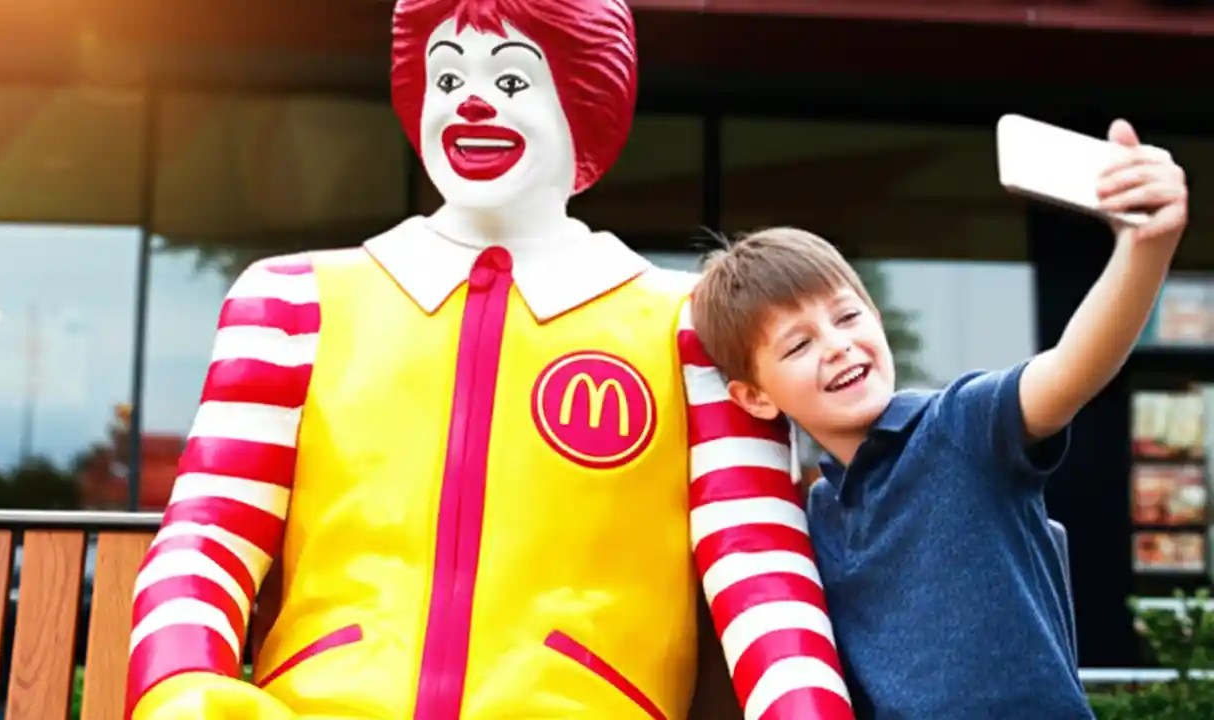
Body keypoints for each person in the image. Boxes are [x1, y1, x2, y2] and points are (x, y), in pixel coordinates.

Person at [124, 1, 854, 718]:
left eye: (512, 80)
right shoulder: (291, 301)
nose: (470, 104)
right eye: (447, 79)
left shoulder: (692, 326)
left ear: (585, 92)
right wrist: (179, 690)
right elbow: (209, 532)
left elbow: (760, 564)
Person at [689, 119, 1188, 719]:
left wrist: (1144, 249)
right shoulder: (807, 523)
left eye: (848, 317)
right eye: (798, 346)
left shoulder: (962, 425)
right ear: (755, 398)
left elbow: (1074, 365)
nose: (837, 345)